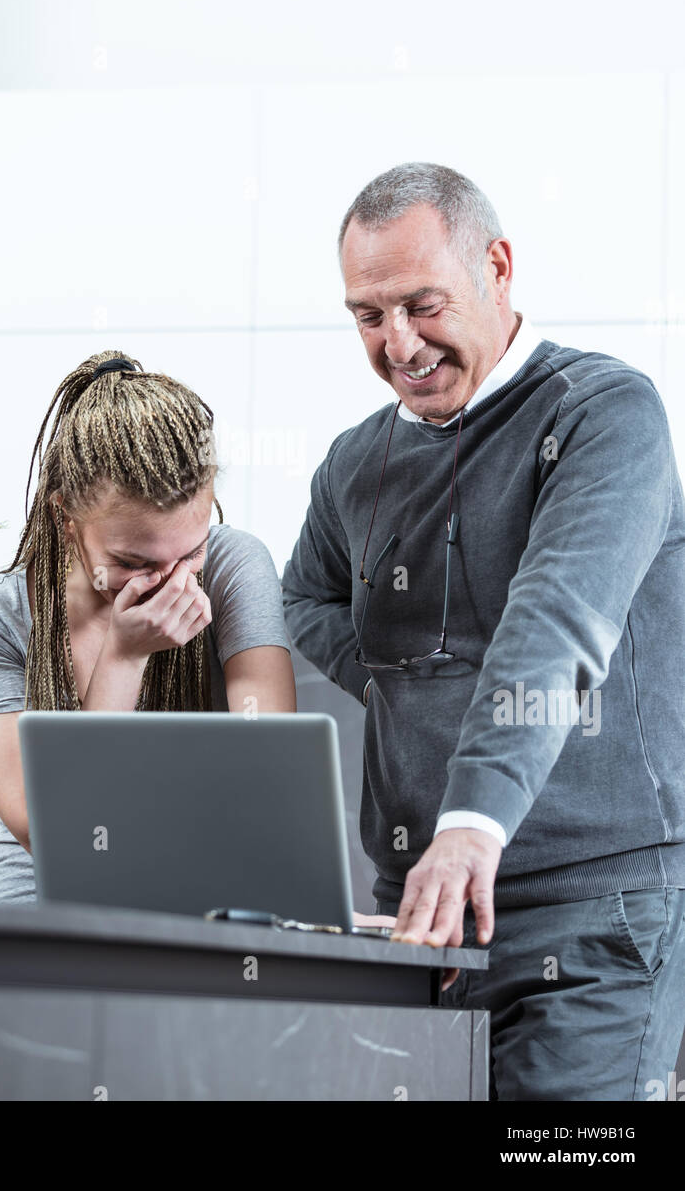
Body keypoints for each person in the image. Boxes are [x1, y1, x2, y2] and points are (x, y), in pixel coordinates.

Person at [281, 161, 685, 1101]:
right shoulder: (355, 462)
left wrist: (471, 821)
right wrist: (426, 688)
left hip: (591, 906)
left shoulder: (603, 414)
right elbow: (308, 599)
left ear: (498, 266)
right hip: (420, 917)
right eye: (367, 316)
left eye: (422, 304)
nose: (399, 344)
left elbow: (556, 617)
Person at [0, 351, 296, 904]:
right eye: (133, 562)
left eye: (192, 551)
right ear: (65, 516)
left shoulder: (235, 566)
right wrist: (125, 658)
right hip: (43, 898)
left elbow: (272, 773)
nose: (168, 582)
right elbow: (50, 833)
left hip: (210, 887)